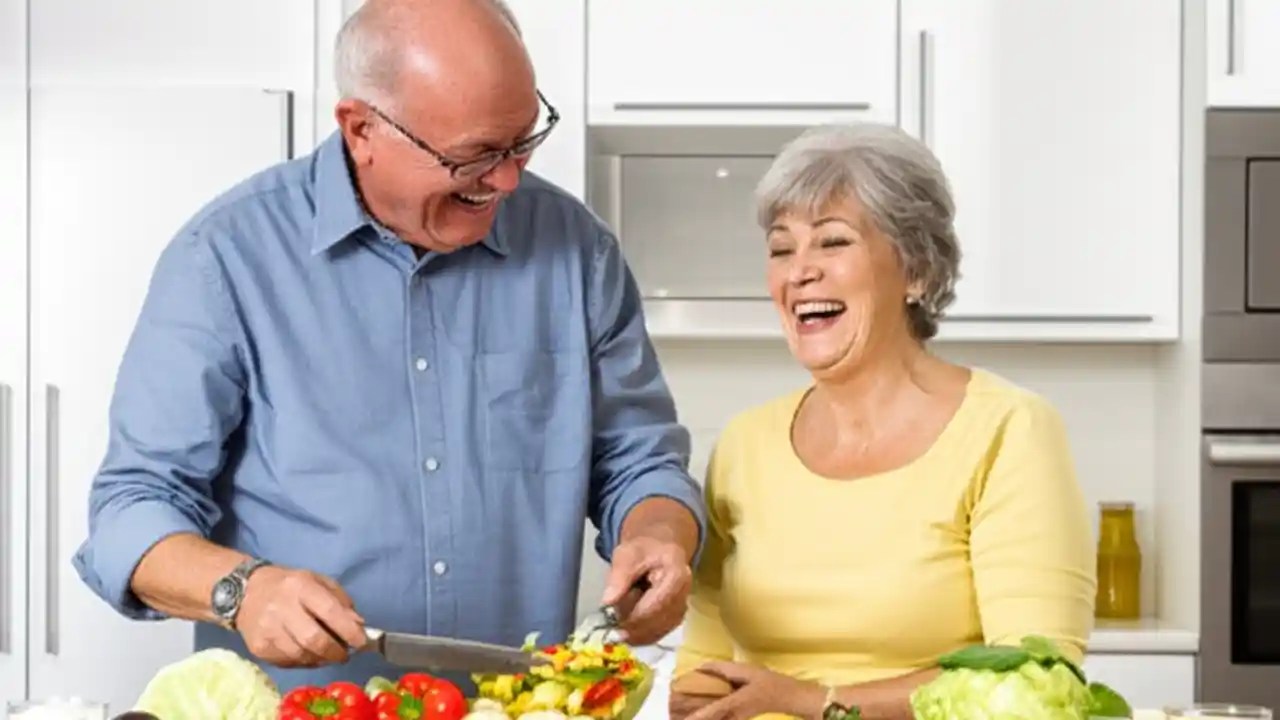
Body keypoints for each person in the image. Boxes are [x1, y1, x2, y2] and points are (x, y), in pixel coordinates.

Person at [71, 0, 705, 692]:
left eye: (523, 141)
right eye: (474, 157)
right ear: (361, 128)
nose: (508, 180)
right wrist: (241, 591)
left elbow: (639, 462)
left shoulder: (575, 251)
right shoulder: (224, 260)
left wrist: (661, 536)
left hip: (518, 709)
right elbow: (131, 511)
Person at [667, 123, 1096, 720]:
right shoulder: (743, 444)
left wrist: (817, 704)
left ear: (916, 270)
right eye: (781, 248)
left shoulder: (1008, 430)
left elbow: (1037, 678)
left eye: (833, 242)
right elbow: (703, 665)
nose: (800, 272)